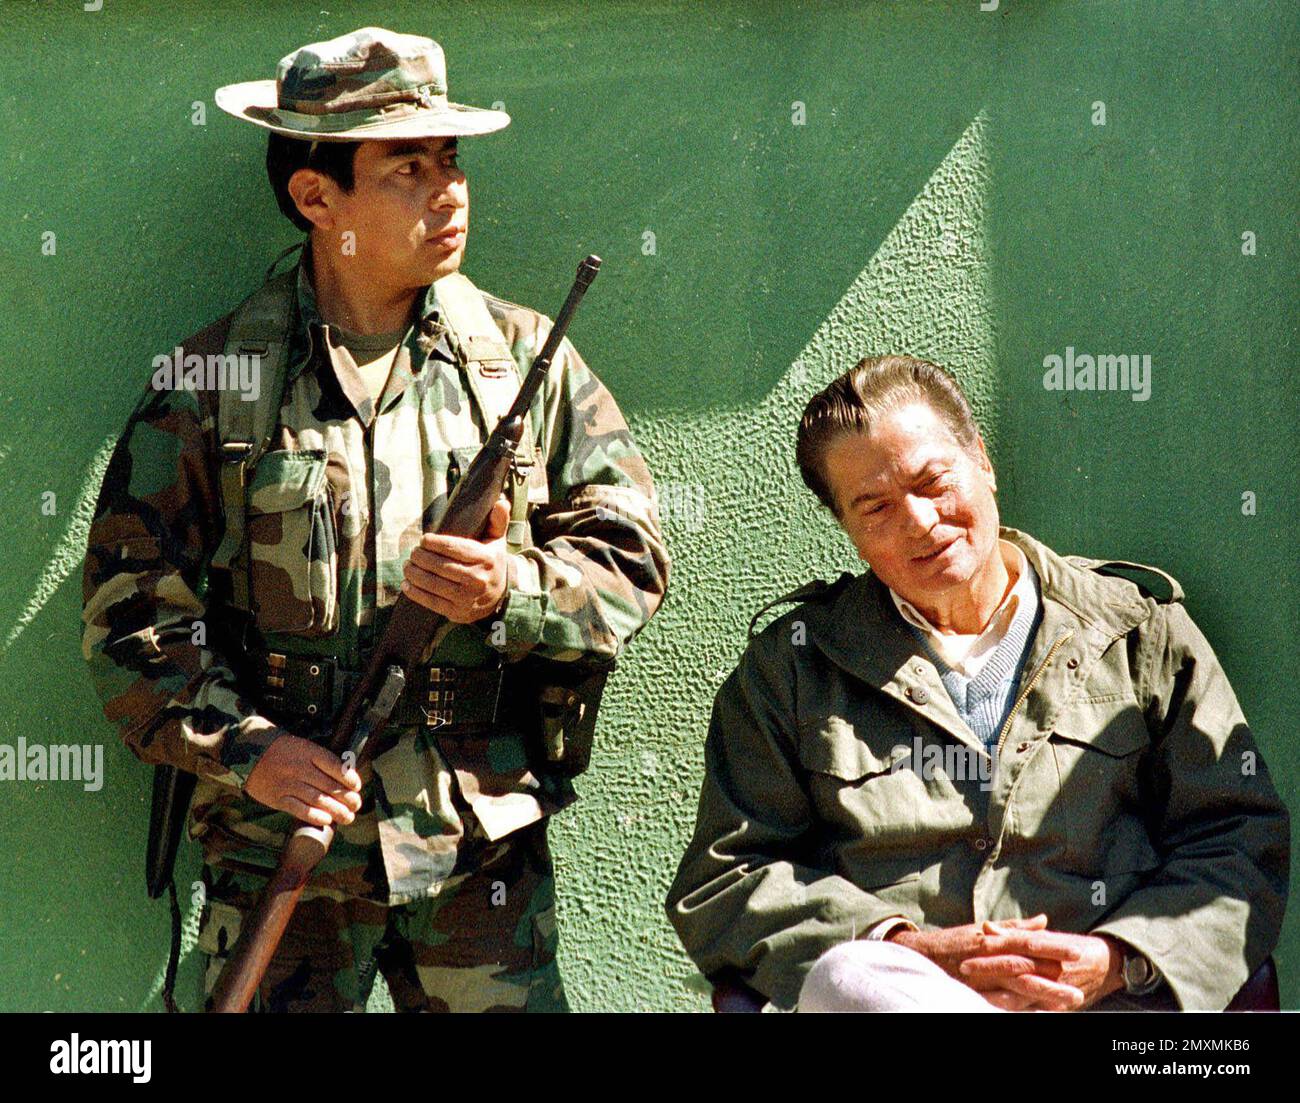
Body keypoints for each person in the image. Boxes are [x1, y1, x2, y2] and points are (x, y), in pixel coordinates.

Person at [81, 26, 669, 1012]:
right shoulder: (212, 383)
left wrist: (512, 589)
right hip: (284, 852)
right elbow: (132, 627)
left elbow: (634, 558)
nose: (448, 190)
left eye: (451, 161)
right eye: (407, 168)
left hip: (476, 843)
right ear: (318, 198)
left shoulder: (524, 362)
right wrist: (250, 752)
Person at [666, 354, 1287, 1012]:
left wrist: (1118, 959)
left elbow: (1238, 840)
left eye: (934, 481)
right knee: (851, 972)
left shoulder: (1137, 633)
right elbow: (726, 877)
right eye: (874, 507)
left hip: (1110, 1010)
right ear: (848, 530)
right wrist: (908, 949)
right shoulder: (791, 669)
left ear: (982, 461)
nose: (921, 522)